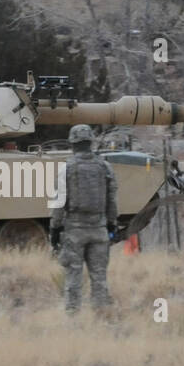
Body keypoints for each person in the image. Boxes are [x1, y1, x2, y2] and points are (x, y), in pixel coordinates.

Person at [50, 124, 118, 313]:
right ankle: (102, 314)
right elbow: (112, 200)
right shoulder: (105, 167)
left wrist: (54, 230)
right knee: (99, 278)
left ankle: (73, 316)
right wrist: (112, 225)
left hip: (75, 231)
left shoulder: (67, 169)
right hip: (99, 230)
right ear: (90, 143)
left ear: (73, 143)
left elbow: (58, 203)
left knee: (73, 278)